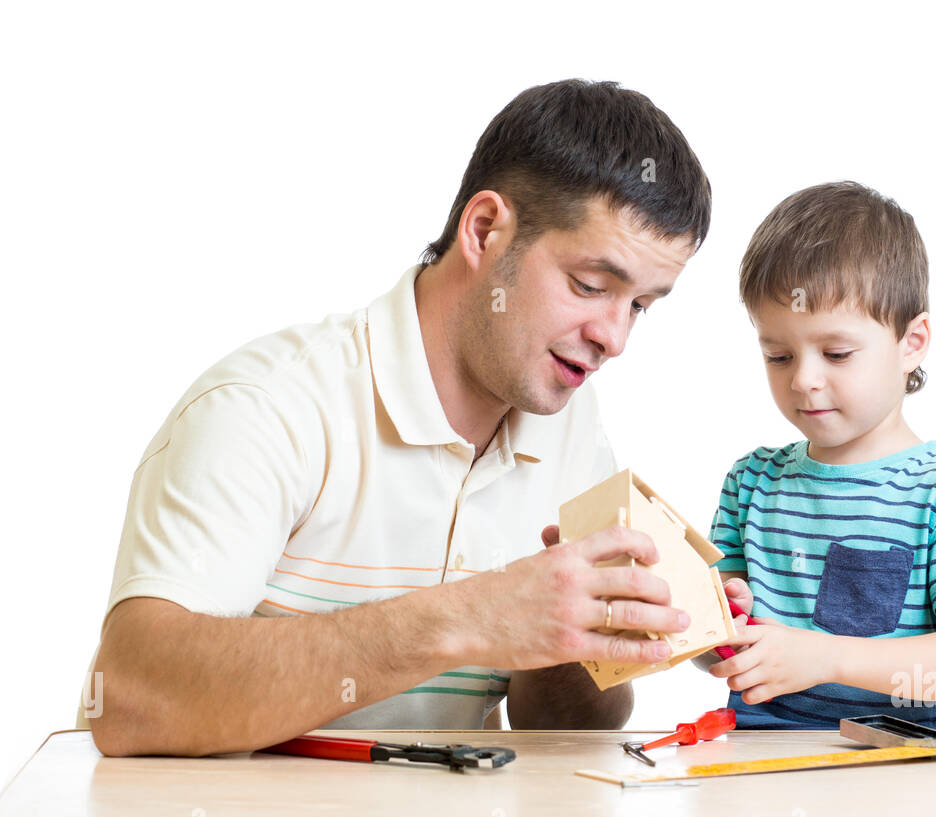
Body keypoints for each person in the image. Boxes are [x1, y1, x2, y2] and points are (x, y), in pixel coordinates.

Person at [90, 79, 712, 756]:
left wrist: (578, 636)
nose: (614, 338)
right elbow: (131, 700)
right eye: (591, 286)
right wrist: (468, 618)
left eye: (641, 306)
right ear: (483, 231)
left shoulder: (570, 427)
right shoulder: (269, 407)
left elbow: (559, 732)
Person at [707, 181, 936, 730]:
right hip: (750, 761)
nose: (804, 380)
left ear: (912, 342)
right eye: (778, 355)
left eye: (837, 353)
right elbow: (714, 652)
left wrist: (828, 659)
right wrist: (702, 624)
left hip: (889, 775)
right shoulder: (750, 482)